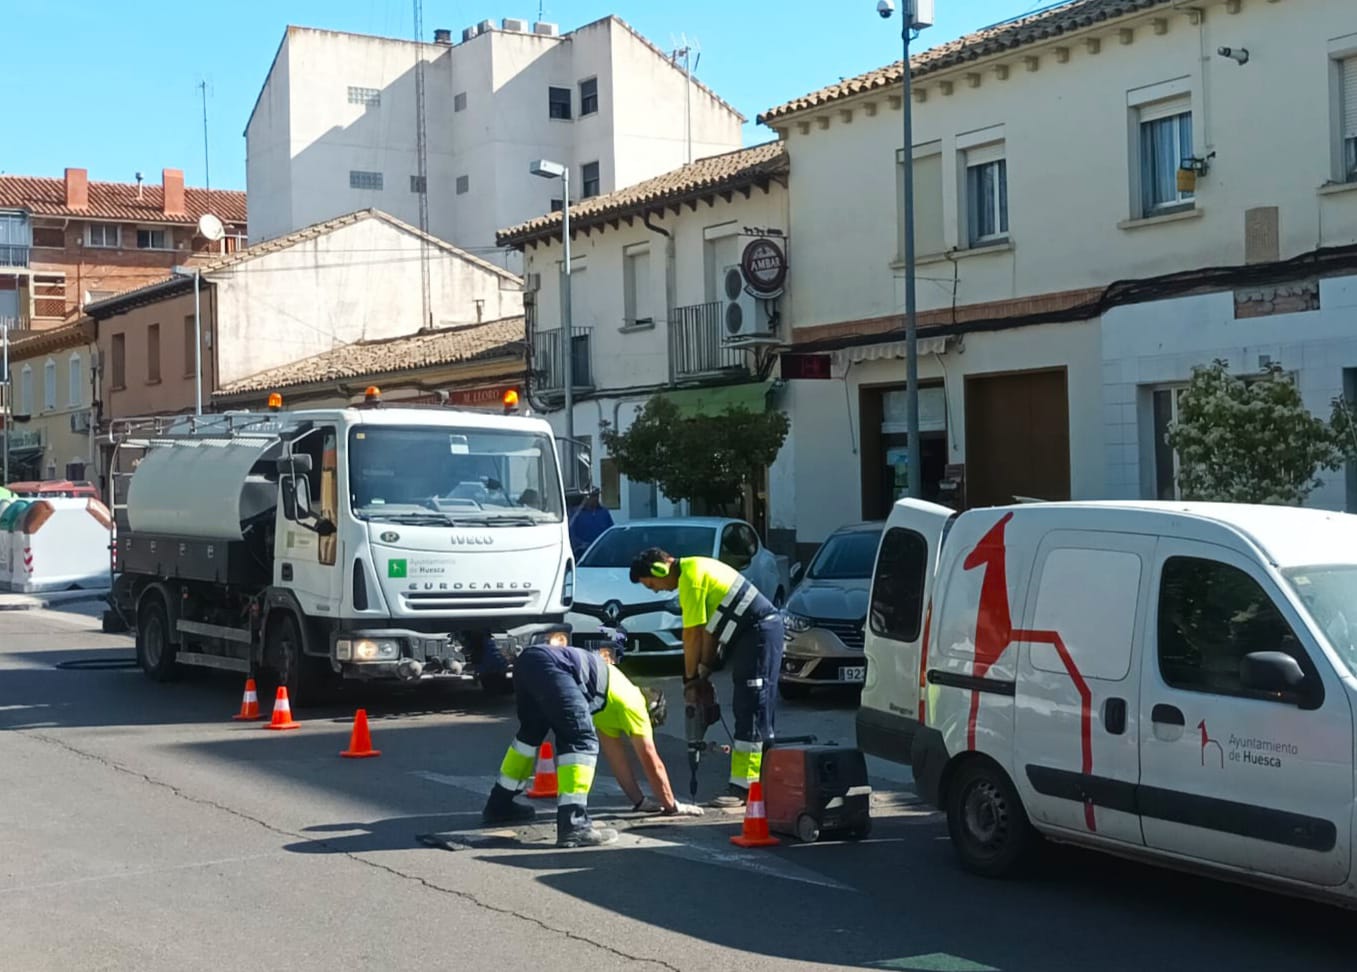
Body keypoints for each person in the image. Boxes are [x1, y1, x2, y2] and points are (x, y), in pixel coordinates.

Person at [628, 546, 784, 808]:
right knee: (754, 707)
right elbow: (710, 631)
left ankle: (744, 787)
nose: (656, 590)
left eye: (652, 584)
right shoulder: (697, 571)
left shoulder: (691, 578)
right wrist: (704, 670)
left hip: (759, 632)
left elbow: (692, 635)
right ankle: (765, 780)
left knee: (752, 706)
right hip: (755, 633)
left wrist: (689, 679)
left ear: (660, 568)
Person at [481, 624, 618, 848]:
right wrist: (661, 803)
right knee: (580, 739)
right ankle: (574, 826)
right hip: (551, 665)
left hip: (529, 661)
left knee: (530, 734)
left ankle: (499, 804)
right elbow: (647, 750)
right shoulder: (632, 699)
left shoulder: (610, 676)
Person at [583, 628, 703, 818]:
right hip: (571, 678)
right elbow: (651, 761)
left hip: (564, 671)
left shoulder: (613, 703)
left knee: (530, 738)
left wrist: (640, 801)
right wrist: (672, 805)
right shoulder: (634, 705)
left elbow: (617, 761)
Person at [569, 487, 613, 558]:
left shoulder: (604, 512)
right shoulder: (576, 513)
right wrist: (581, 544)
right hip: (583, 553)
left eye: (597, 496)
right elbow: (571, 533)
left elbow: (610, 531)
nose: (595, 499)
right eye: (592, 496)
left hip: (602, 552)